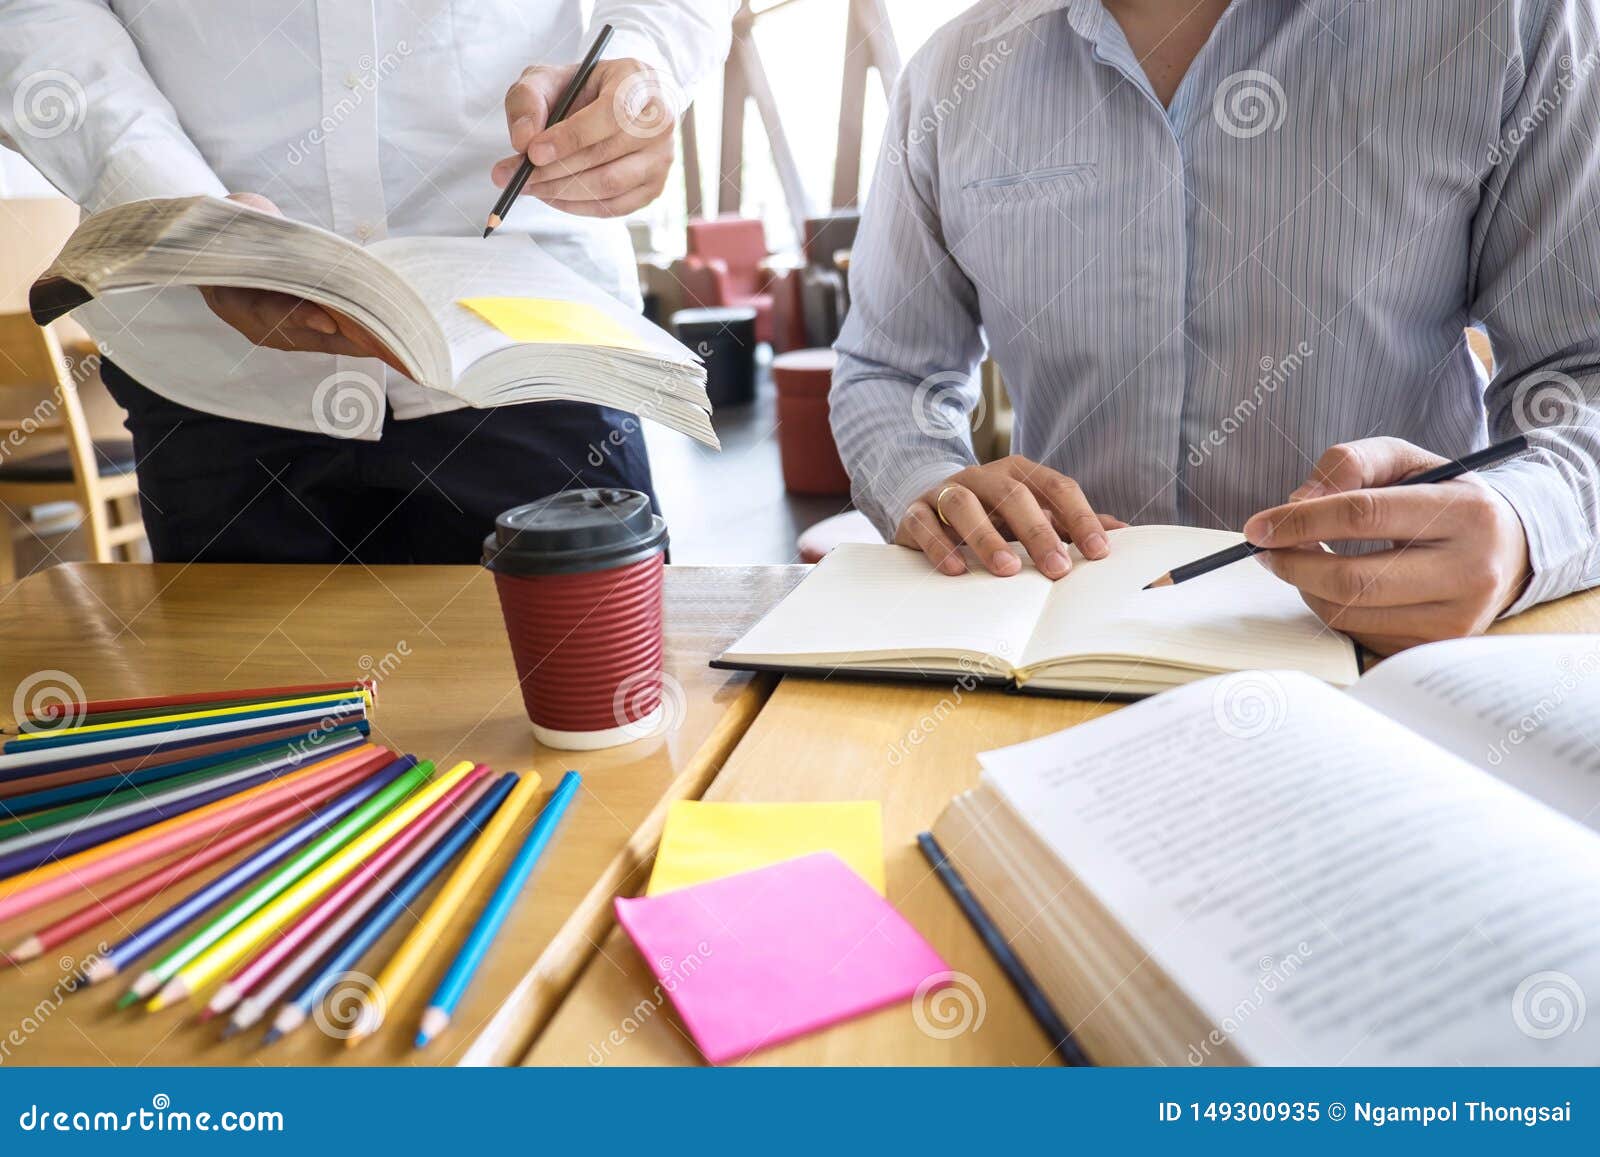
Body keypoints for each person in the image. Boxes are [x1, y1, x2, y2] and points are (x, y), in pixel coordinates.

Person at [831, 0, 1600, 654]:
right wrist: (927, 482)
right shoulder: (951, 75)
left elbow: (1585, 372)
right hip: (1061, 664)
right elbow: (886, 369)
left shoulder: (1511, 22)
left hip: (1399, 659)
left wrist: (1526, 525)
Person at [0, 1, 732, 563]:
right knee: (247, 749)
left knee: (592, 739)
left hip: (534, 344)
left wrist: (646, 59)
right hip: (209, 378)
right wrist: (177, 207)